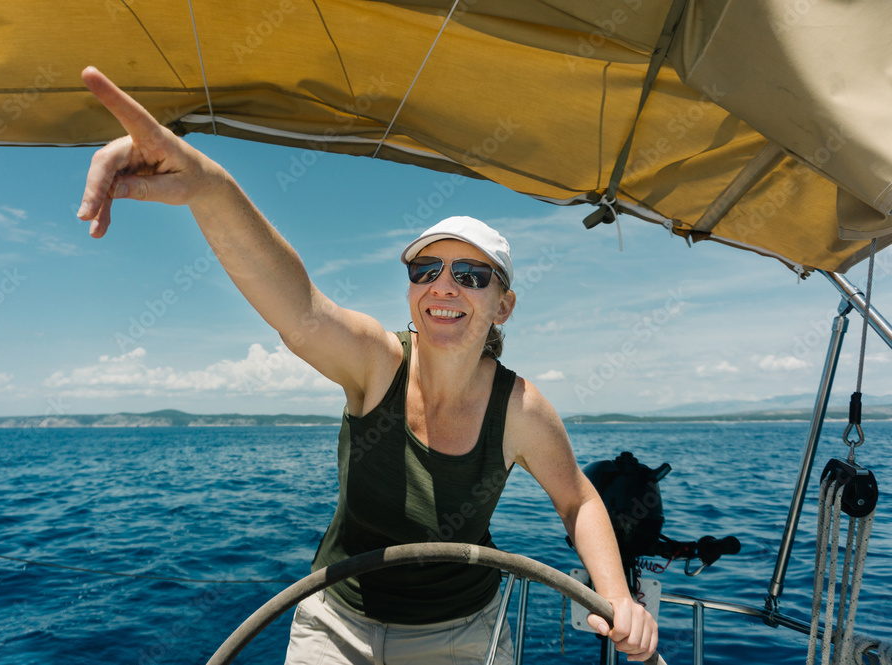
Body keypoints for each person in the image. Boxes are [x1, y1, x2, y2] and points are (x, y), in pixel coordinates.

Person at [76, 66, 658, 664]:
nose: (444, 286)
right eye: (425, 270)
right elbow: (300, 310)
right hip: (338, 622)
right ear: (411, 290)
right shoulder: (378, 364)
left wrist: (618, 598)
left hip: (461, 630)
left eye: (471, 275)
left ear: (502, 305)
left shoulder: (520, 409)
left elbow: (580, 500)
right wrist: (209, 187)